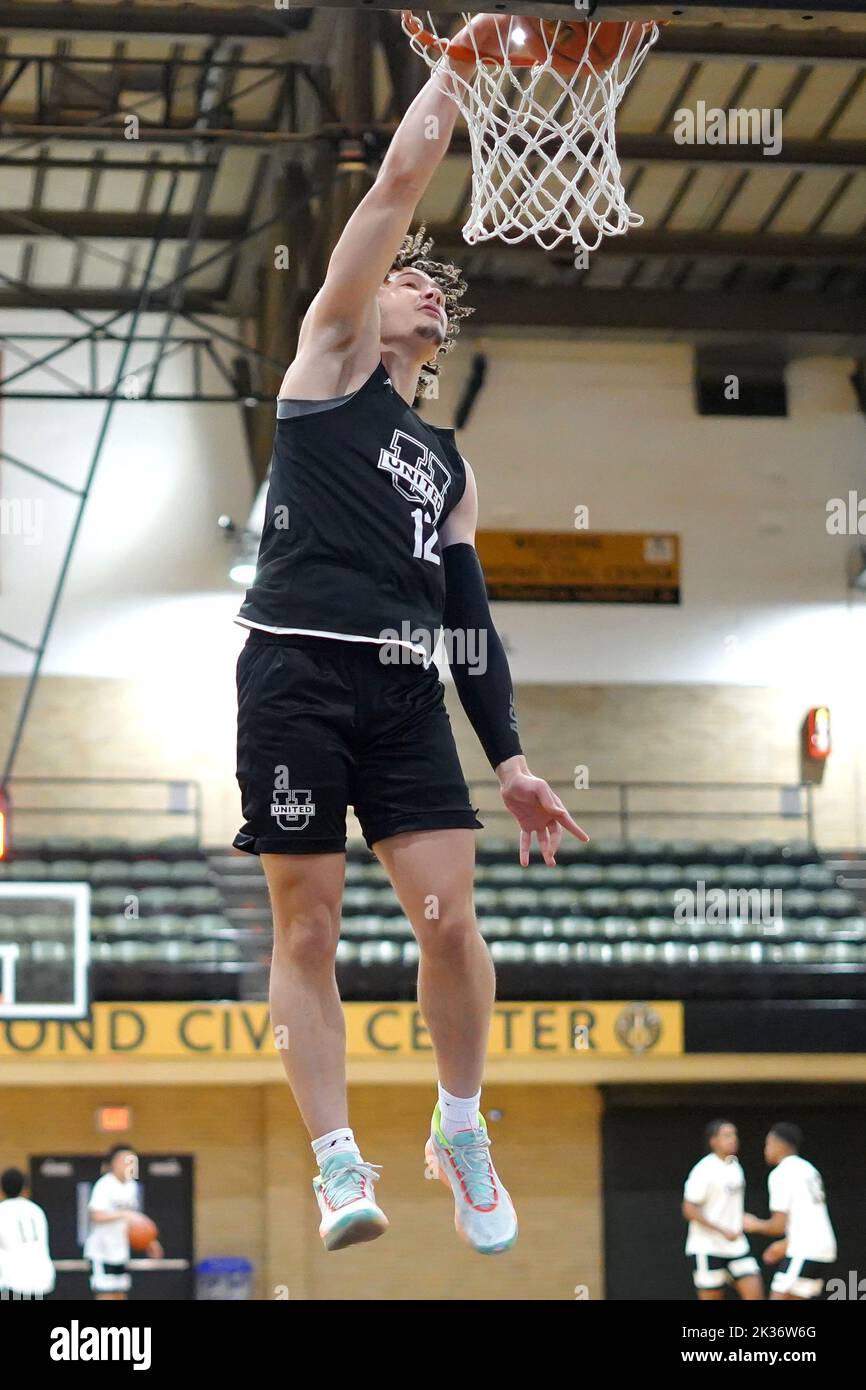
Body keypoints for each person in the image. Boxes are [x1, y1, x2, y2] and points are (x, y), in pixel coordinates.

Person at [233, 18, 588, 1255]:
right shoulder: (325, 365)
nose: (426, 285)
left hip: (398, 693)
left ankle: (459, 1125)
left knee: (450, 916)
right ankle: (338, 1162)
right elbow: (395, 184)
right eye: (408, 277)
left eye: (438, 287)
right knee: (310, 924)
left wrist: (512, 759)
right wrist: (460, 65)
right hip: (290, 670)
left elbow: (468, 622)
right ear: (364, 303)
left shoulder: (448, 465)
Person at [744, 1122, 837, 1301]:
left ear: (780, 1144)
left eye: (768, 1144)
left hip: (806, 1249)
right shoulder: (808, 1169)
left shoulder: (781, 1173)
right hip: (822, 1247)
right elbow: (808, 1218)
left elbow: (778, 1226)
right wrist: (786, 1244)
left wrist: (753, 1224)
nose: (766, 1149)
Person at [681, 1120, 763, 1300]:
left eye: (734, 1135)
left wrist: (740, 1218)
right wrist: (721, 1229)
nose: (733, 1139)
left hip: (736, 1245)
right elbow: (688, 1208)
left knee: (755, 1291)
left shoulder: (735, 1166)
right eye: (727, 1135)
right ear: (713, 1141)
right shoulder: (704, 1169)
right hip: (707, 1246)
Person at [83, 1145, 162, 1300]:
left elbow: (134, 1220)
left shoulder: (131, 1187)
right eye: (125, 1161)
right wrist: (124, 1214)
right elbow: (96, 1216)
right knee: (105, 1295)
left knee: (120, 1295)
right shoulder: (104, 1185)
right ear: (114, 1163)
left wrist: (150, 1241)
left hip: (120, 1251)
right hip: (101, 1251)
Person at [0, 1167, 56, 1300]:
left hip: (13, 1280)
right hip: (42, 1278)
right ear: (24, 1188)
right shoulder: (36, 1210)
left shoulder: (2, 1211)